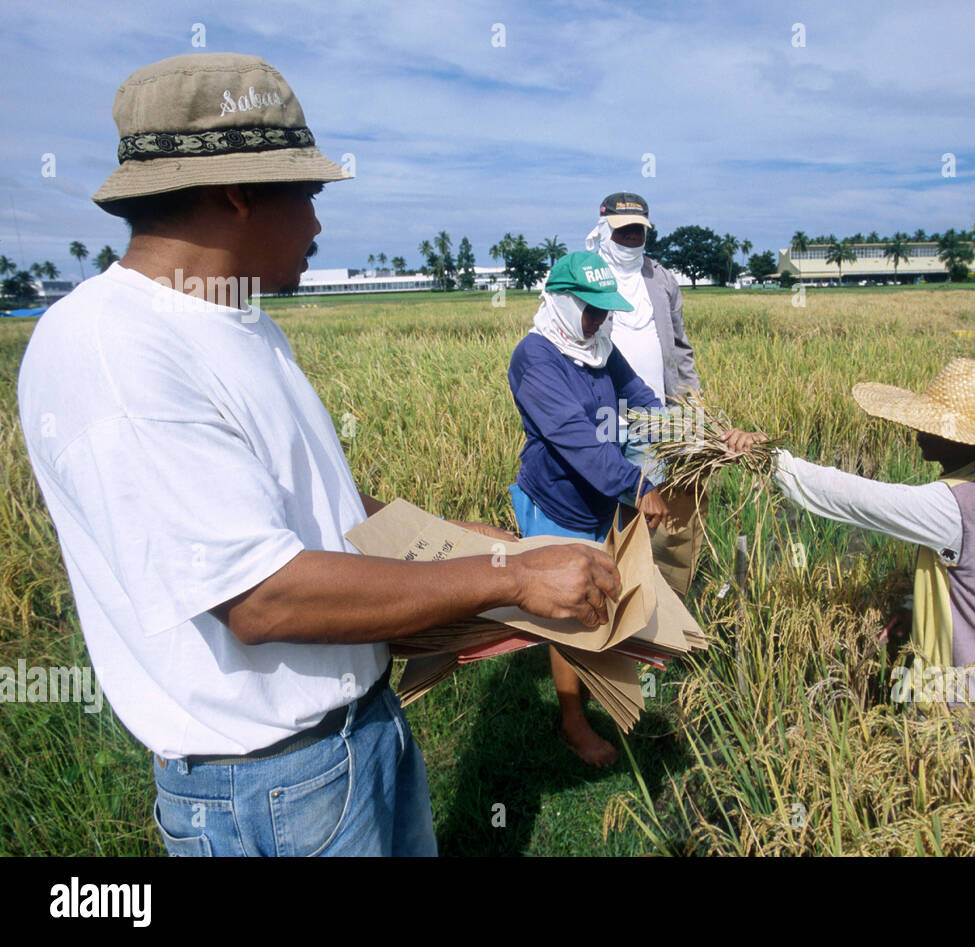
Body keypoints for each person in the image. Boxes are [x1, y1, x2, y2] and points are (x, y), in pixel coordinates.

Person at [16, 53, 621, 857]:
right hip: (268, 786)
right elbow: (262, 598)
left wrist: (483, 542)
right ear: (235, 191)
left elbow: (311, 501)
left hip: (354, 737)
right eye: (306, 193)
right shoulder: (113, 349)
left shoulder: (240, 324)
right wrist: (509, 577)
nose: (318, 224)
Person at [767, 358, 975, 720]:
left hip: (968, 708)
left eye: (929, 426)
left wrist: (774, 460)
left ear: (955, 437)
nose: (918, 432)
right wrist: (912, 608)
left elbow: (859, 499)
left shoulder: (953, 505)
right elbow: (974, 579)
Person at [507, 251, 671, 766]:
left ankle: (598, 685)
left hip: (598, 500)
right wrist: (637, 483)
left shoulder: (597, 344)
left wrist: (682, 435)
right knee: (568, 616)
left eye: (605, 312)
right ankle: (573, 722)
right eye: (591, 310)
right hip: (558, 502)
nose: (600, 320)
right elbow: (577, 441)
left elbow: (638, 395)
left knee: (598, 598)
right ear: (560, 302)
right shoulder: (536, 358)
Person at [584, 192, 707, 596]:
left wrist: (693, 407)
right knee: (604, 506)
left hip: (655, 417)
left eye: (639, 229)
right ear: (604, 229)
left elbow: (681, 348)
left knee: (647, 511)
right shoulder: (586, 276)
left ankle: (645, 598)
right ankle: (603, 592)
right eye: (624, 230)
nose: (633, 237)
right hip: (601, 417)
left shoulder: (661, 278)